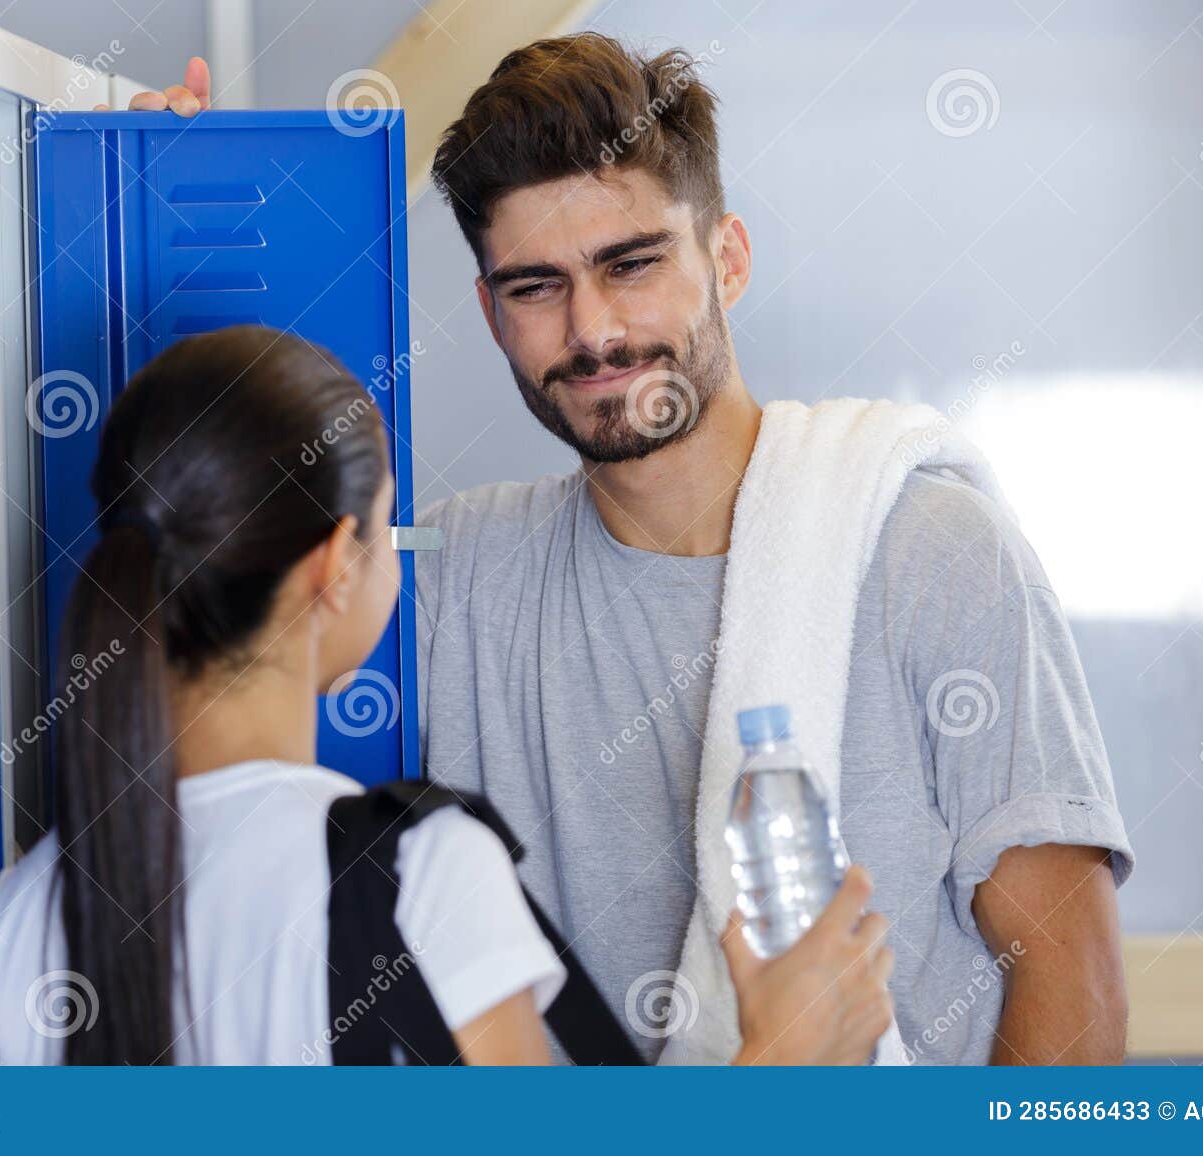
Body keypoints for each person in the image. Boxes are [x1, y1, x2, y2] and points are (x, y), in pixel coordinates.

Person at [130, 34, 1134, 1065]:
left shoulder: (926, 546)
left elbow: (1071, 982)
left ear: (726, 258)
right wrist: (175, 211)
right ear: (488, 312)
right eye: (535, 287)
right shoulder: (454, 577)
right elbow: (212, 653)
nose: (594, 330)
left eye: (633, 264)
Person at [0, 325, 894, 1065]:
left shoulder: (22, 914)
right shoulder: (419, 876)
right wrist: (787, 1055)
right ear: (336, 566)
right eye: (386, 531)